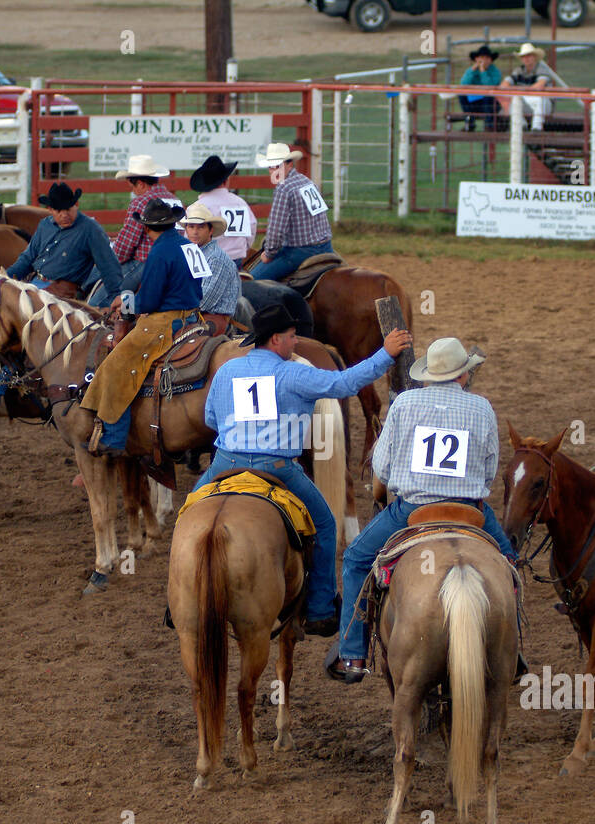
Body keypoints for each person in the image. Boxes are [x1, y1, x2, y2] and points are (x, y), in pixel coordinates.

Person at [195, 303, 413, 636]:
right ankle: (321, 607)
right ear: (276, 339)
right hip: (277, 467)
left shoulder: (227, 370)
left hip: (226, 462)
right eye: (293, 336)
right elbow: (344, 384)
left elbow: (210, 419)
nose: (297, 343)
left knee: (189, 516)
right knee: (324, 523)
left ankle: (178, 601)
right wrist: (384, 354)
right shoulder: (293, 374)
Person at [328, 337, 519, 684]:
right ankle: (513, 653)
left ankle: (353, 654)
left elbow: (382, 466)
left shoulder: (404, 403)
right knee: (508, 565)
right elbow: (489, 469)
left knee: (356, 559)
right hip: (468, 510)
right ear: (462, 376)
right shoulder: (482, 407)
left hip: (413, 510)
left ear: (429, 375)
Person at [79, 199, 202, 455]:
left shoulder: (159, 252)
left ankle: (112, 439)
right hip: (193, 317)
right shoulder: (189, 246)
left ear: (146, 229)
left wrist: (124, 303)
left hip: (164, 322)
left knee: (116, 366)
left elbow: (150, 300)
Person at [6, 181, 123, 302]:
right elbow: (27, 258)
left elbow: (108, 264)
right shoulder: (45, 225)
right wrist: (5, 278)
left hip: (64, 292)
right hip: (35, 283)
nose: (64, 215)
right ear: (50, 209)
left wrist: (115, 295)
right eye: (59, 210)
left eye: (68, 209)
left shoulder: (90, 229)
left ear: (76, 204)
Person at [85, 154, 179, 305]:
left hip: (145, 262)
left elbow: (125, 247)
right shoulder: (175, 200)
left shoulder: (140, 202)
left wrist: (112, 261)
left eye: (133, 187)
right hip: (174, 259)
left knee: (94, 304)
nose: (134, 192)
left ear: (141, 184)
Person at [249, 142, 333, 283]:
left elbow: (276, 230)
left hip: (299, 252)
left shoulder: (284, 189)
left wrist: (269, 254)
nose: (273, 171)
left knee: (251, 281)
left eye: (278, 166)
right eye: (271, 166)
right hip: (326, 247)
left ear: (289, 164)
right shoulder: (306, 182)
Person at [180, 201, 239, 335]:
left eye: (200, 227)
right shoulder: (193, 253)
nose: (195, 232)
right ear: (186, 229)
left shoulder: (215, 259)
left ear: (210, 230)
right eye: (191, 226)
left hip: (212, 318)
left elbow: (205, 301)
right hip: (194, 313)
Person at [190, 154, 257, 269]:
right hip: (235, 260)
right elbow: (252, 227)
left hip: (207, 262)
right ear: (226, 181)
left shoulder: (197, 207)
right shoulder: (240, 203)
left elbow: (190, 239)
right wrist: (241, 248)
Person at [498, 42, 554, 132]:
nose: (526, 58)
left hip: (544, 105)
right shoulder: (518, 70)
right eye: (524, 56)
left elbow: (539, 85)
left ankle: (536, 129)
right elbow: (504, 84)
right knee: (514, 101)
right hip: (527, 102)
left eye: (529, 56)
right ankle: (522, 127)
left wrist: (519, 91)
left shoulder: (542, 69)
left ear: (534, 57)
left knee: (540, 99)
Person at [459, 44, 502, 132]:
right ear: (476, 59)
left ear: (490, 60)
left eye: (487, 58)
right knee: (462, 96)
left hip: (491, 104)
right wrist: (472, 70)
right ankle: (469, 122)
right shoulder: (471, 70)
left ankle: (489, 125)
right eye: (481, 57)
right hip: (474, 102)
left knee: (488, 97)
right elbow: (463, 84)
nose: (484, 60)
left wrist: (483, 71)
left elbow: (489, 87)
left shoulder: (495, 72)